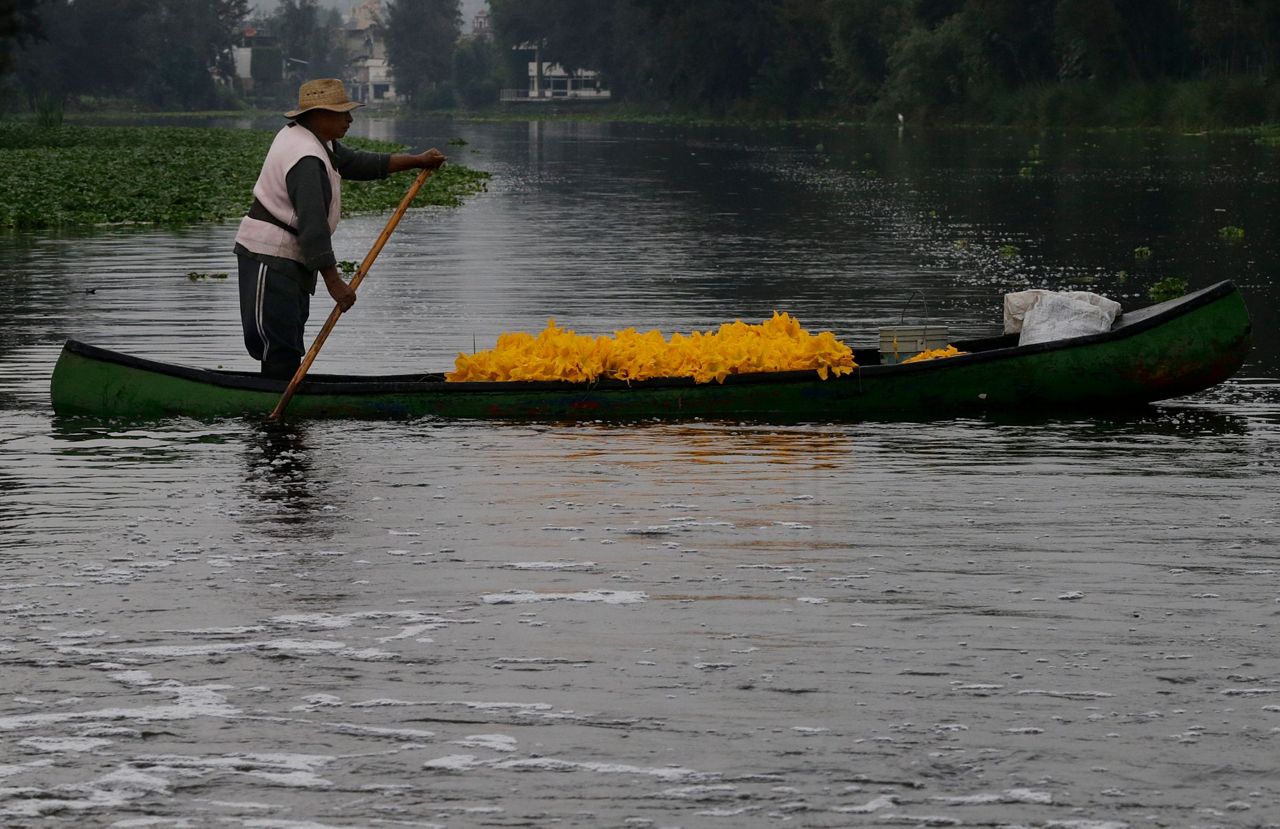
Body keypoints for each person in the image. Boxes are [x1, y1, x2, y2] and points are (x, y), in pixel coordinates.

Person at [234, 78, 446, 379]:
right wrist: (335, 283)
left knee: (288, 342)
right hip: (270, 255)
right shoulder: (305, 156)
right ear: (318, 115)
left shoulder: (317, 140)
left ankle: (283, 408)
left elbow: (355, 163)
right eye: (341, 113)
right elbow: (313, 228)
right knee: (277, 344)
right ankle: (276, 415)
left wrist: (416, 161)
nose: (349, 119)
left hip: (290, 259)